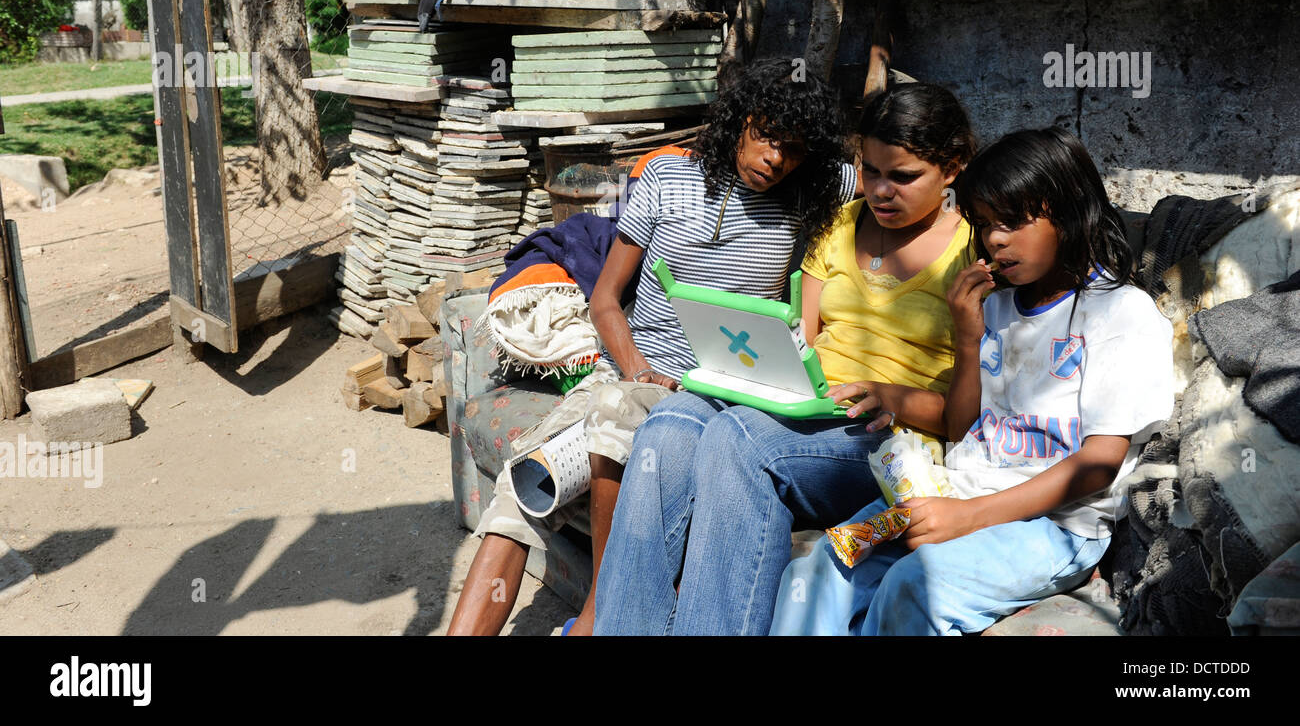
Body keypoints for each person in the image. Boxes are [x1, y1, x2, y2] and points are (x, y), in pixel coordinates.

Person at [447, 59, 853, 636]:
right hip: (631, 373)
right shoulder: (667, 179)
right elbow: (606, 300)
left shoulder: (809, 191)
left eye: (793, 149)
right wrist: (638, 369)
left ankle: (596, 619)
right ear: (740, 122)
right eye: (766, 137)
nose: (775, 159)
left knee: (614, 423)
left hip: (718, 393)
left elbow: (897, 172)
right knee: (523, 488)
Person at [593, 83, 979, 635]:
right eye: (870, 171)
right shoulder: (841, 225)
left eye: (904, 176)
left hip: (889, 438)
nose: (881, 191)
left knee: (737, 439)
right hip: (807, 412)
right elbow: (805, 338)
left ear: (952, 168)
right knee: (669, 424)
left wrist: (890, 397)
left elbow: (971, 417)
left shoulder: (974, 252)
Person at [769, 126, 1174, 635]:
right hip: (952, 488)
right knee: (820, 568)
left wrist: (970, 517)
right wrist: (966, 336)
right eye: (984, 224)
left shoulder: (1119, 313)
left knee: (916, 584)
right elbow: (962, 428)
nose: (996, 239)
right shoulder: (996, 308)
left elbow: (1098, 464)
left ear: (1070, 211)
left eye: (1013, 221)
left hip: (1054, 526)